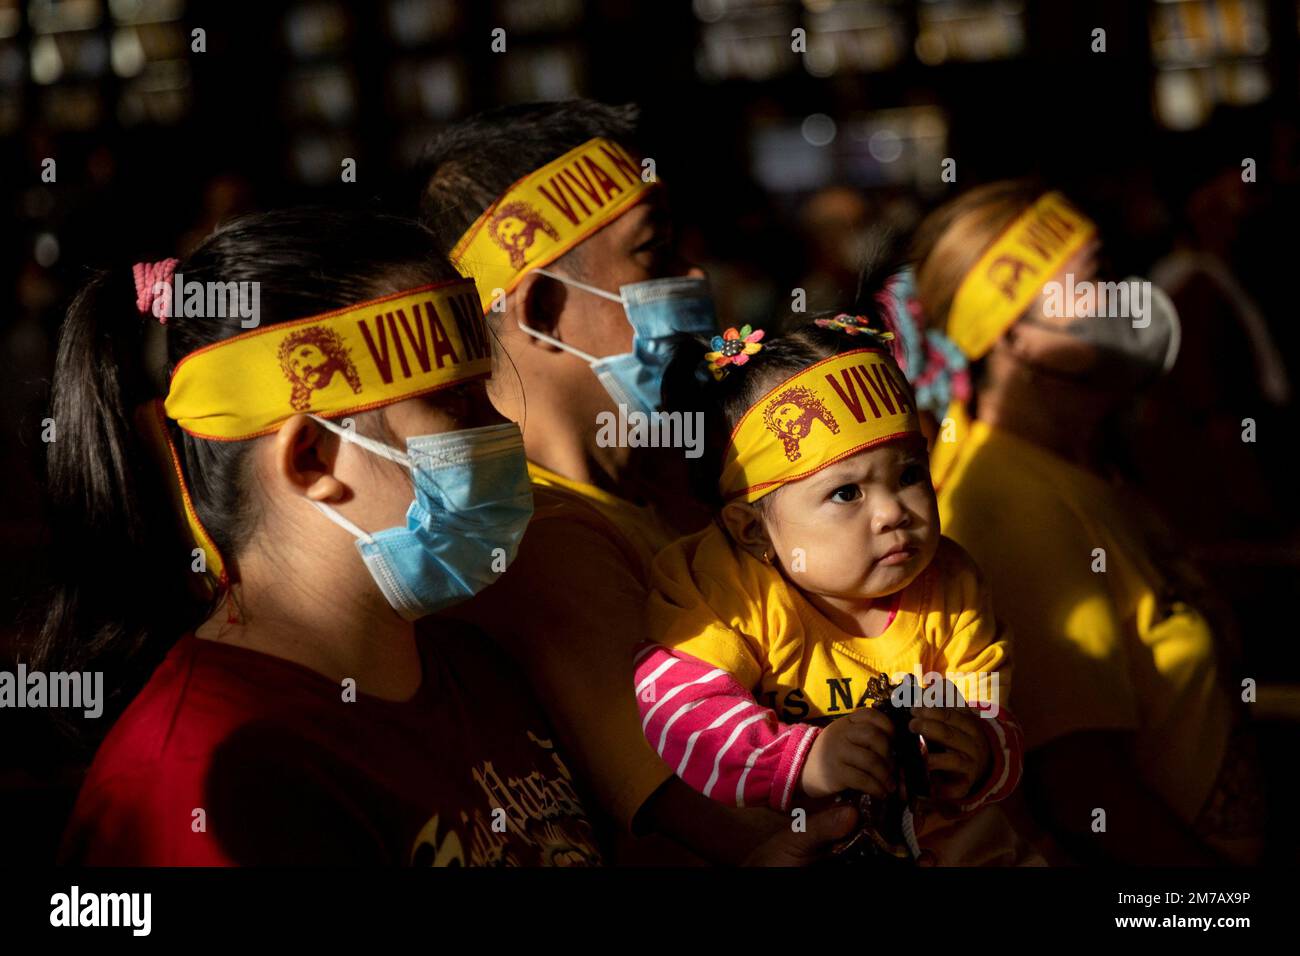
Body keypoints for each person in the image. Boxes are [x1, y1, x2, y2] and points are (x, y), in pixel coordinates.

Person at [41, 208, 605, 865]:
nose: (498, 427)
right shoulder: (205, 775)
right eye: (455, 402)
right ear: (310, 459)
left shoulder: (481, 669)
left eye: (485, 393)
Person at [414, 100, 798, 862]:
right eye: (653, 257)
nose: (695, 277)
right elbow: (732, 814)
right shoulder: (543, 540)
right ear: (548, 310)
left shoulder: (654, 491)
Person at [912, 182, 1264, 864]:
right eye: (1095, 280)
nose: (1126, 297)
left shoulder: (1089, 468)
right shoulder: (1007, 504)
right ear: (1012, 331)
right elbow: (1082, 790)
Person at [634, 299, 1031, 866]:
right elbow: (682, 715)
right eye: (846, 493)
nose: (893, 512)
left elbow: (994, 712)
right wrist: (804, 761)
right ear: (752, 532)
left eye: (910, 474)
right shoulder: (720, 591)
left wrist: (985, 753)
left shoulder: (951, 582)